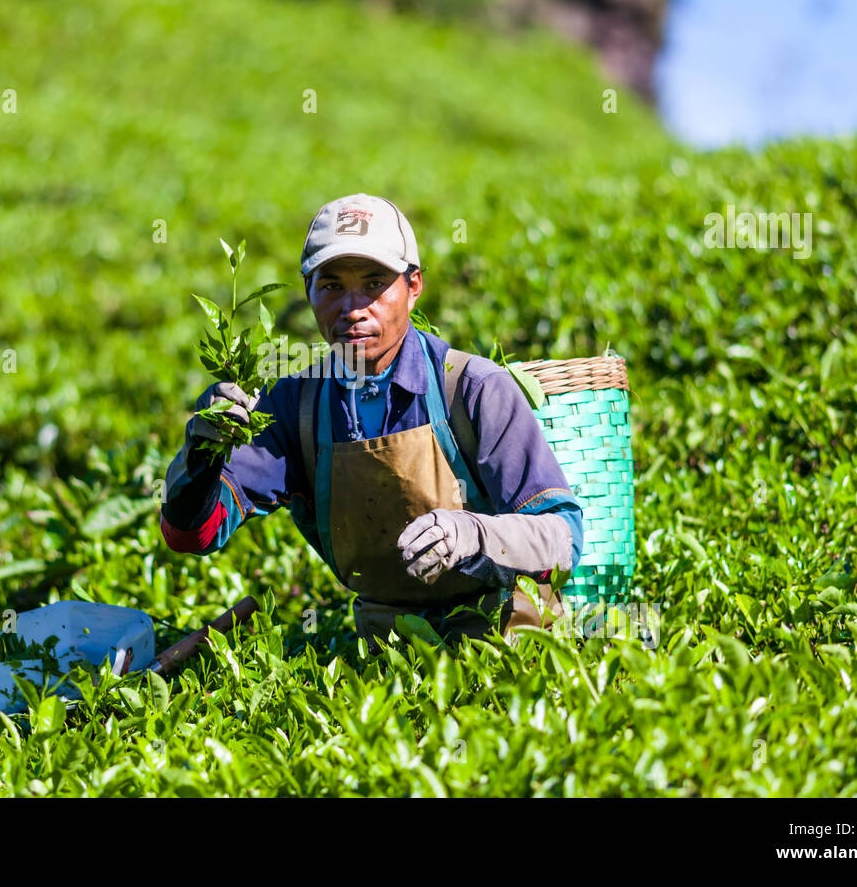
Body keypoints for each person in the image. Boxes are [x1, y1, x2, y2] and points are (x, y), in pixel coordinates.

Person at [160, 193, 583, 653]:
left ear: (413, 285)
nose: (353, 308)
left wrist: (472, 534)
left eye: (374, 283)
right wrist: (200, 457)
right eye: (332, 286)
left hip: (508, 645)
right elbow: (192, 535)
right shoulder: (296, 407)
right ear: (309, 292)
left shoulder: (474, 389)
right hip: (385, 658)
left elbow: (564, 539)